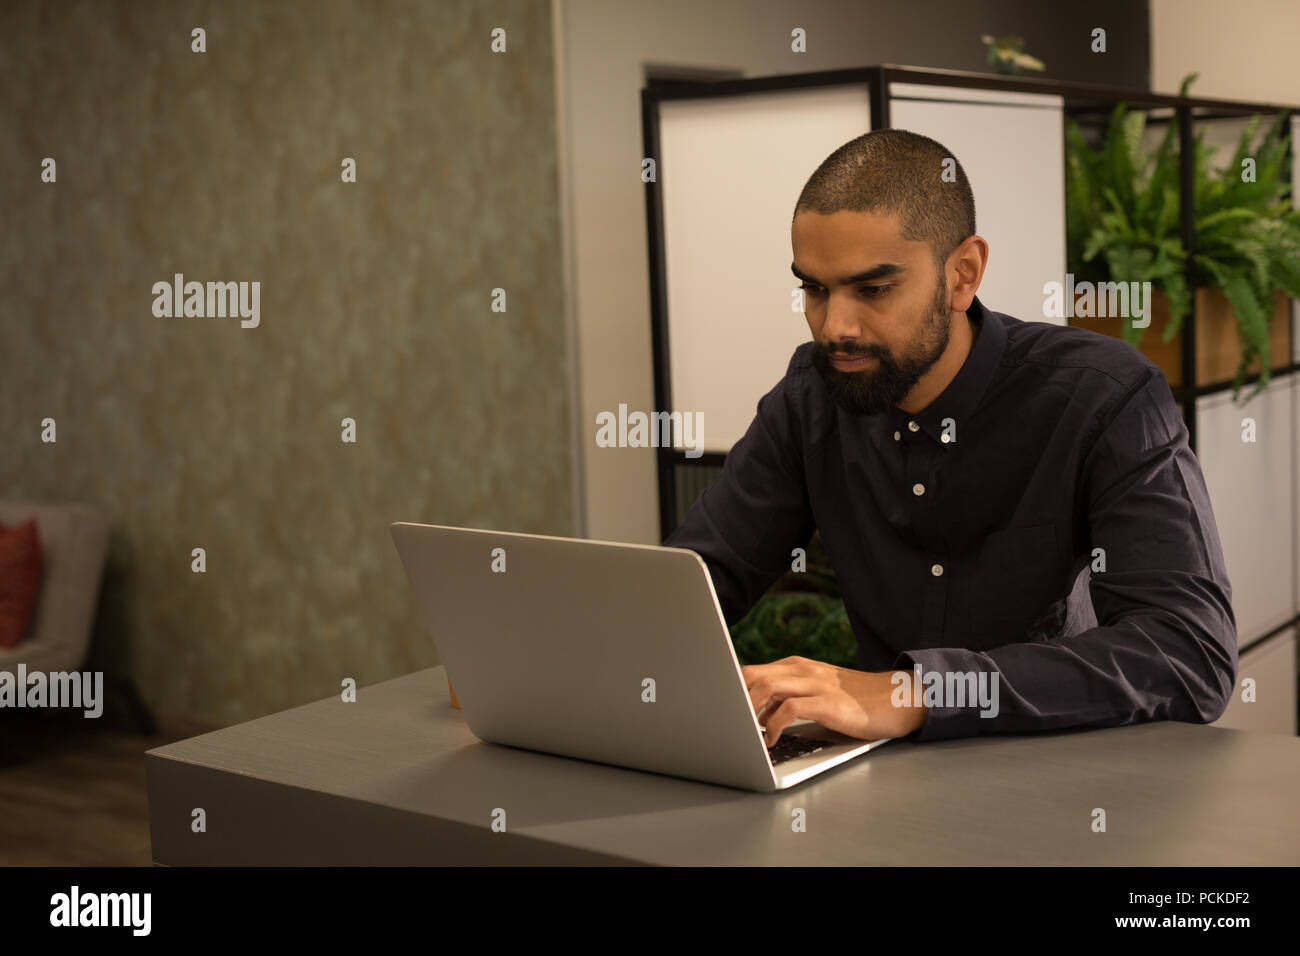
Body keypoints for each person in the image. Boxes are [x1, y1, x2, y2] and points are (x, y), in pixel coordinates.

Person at [663, 129, 1236, 746]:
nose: (835, 327)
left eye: (873, 289)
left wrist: (916, 691)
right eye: (814, 289)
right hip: (882, 790)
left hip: (1071, 783)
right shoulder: (811, 397)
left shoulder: (1106, 396)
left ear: (963, 274)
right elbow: (692, 587)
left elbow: (1189, 651)